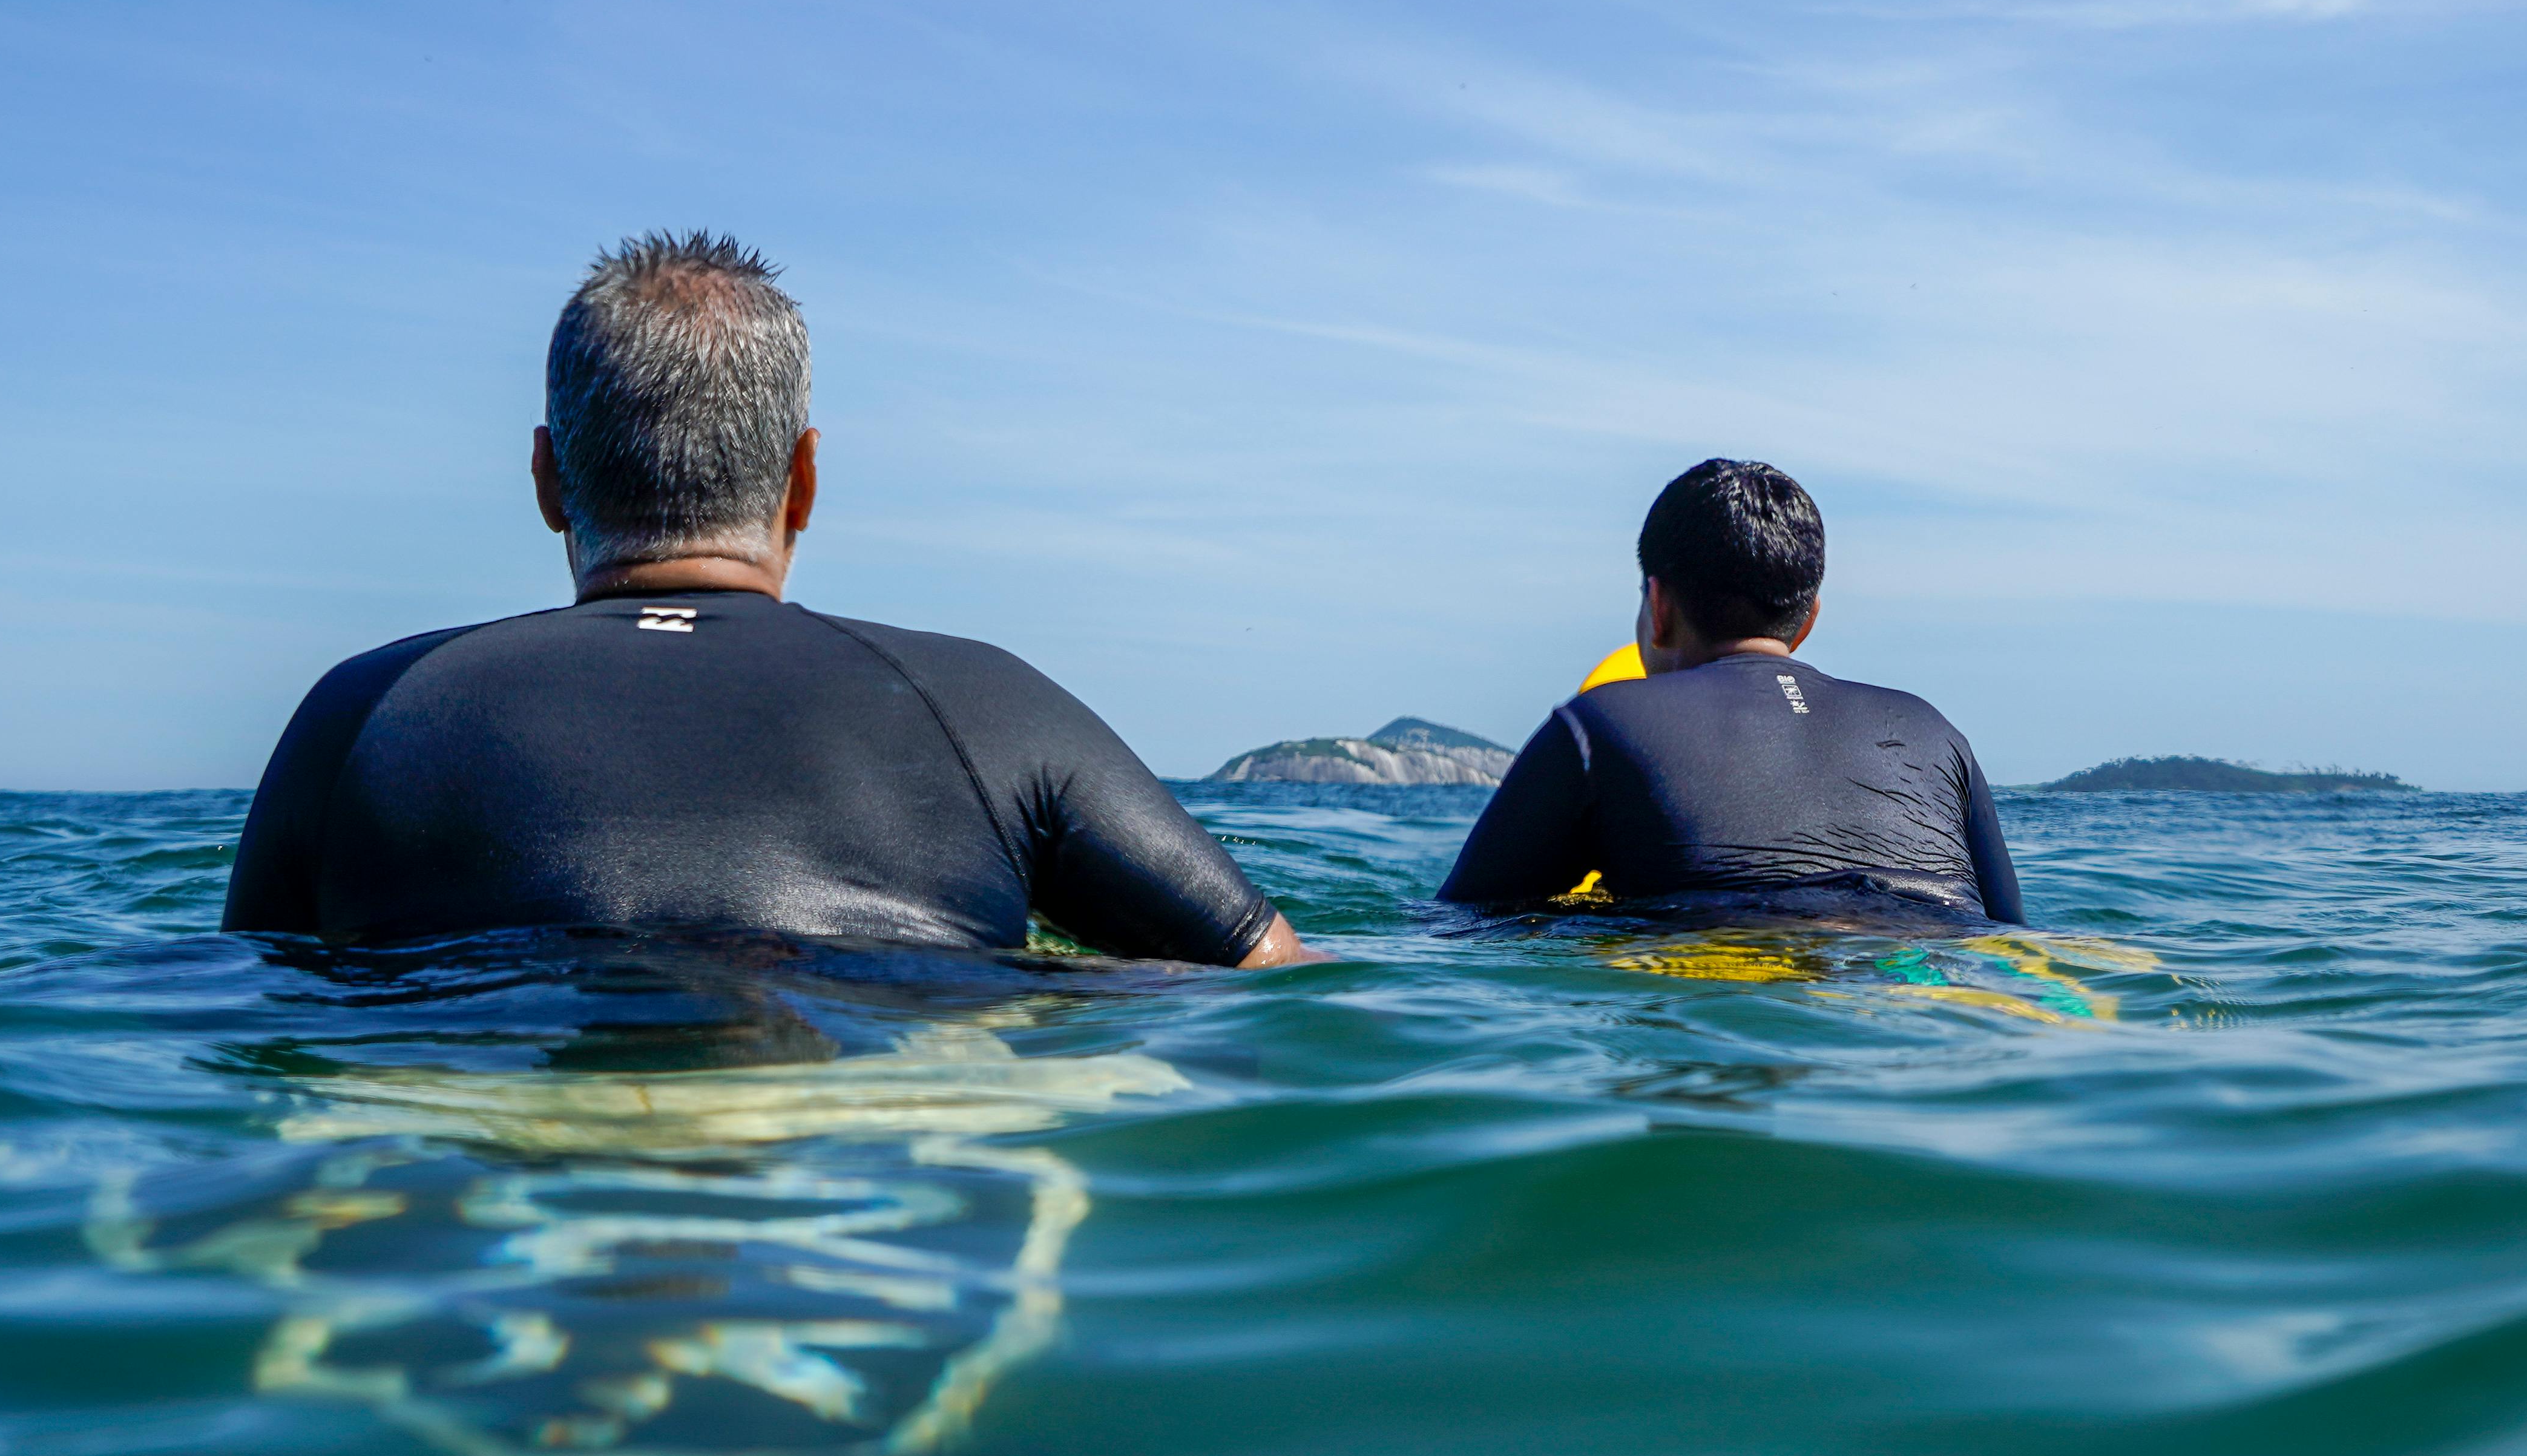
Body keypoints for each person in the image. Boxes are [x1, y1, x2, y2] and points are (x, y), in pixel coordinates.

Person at [225, 231, 1313, 967]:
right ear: (803, 479)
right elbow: (1266, 967)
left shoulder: (359, 710)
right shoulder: (981, 702)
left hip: (475, 1122)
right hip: (871, 1131)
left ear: (550, 479)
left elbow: (246, 1005)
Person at [1435, 459, 2022, 926]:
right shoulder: (1930, 729)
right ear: (1808, 618)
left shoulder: (1602, 724)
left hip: (1730, 956)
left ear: (1658, 607)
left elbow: (1461, 927)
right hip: (1946, 973)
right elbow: (2009, 934)